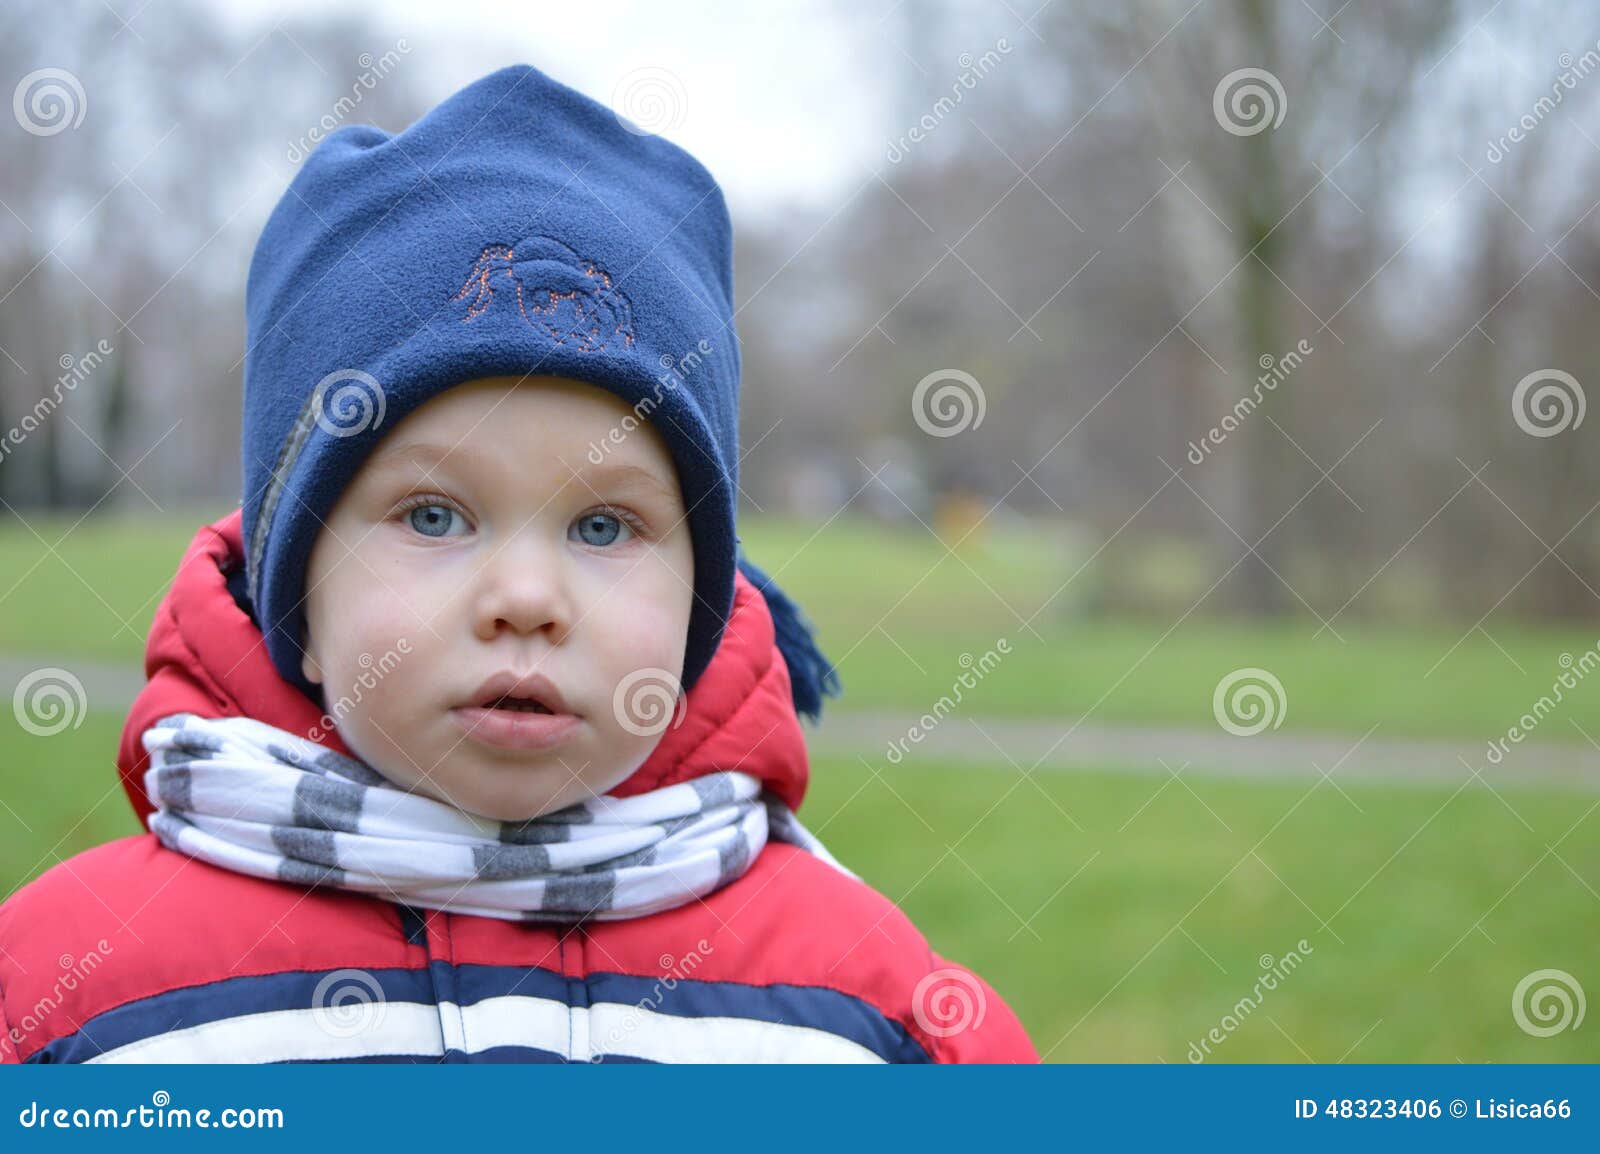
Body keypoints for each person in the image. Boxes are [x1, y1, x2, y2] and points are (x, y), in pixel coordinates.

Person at [0, 64, 1037, 1064]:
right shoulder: (72, 1010)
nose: (528, 599)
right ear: (298, 591)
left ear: (700, 599)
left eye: (603, 527)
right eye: (436, 513)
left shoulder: (864, 1021)